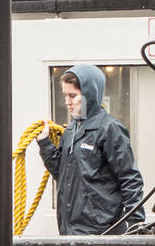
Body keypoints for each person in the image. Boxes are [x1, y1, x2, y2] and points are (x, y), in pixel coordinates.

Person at [37, 64, 147, 235]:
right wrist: (45, 143)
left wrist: (136, 224)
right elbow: (63, 173)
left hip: (102, 232)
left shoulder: (110, 128)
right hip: (71, 231)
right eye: (65, 95)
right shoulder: (71, 130)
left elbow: (129, 177)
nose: (67, 102)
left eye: (73, 96)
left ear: (89, 94)